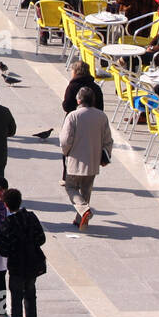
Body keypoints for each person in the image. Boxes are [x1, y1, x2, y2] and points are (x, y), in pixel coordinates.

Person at [0, 188, 46, 317]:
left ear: (6, 205)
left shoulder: (8, 224)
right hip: (34, 263)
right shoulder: (31, 217)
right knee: (30, 294)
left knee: (16, 298)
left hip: (17, 266)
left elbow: (4, 250)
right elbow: (42, 239)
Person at [60, 86, 113, 231]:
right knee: (86, 190)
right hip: (93, 161)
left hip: (76, 160)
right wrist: (105, 156)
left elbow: (65, 141)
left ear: (78, 100)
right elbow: (108, 140)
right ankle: (81, 221)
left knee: (70, 187)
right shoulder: (102, 116)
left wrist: (66, 152)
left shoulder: (73, 116)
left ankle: (84, 210)